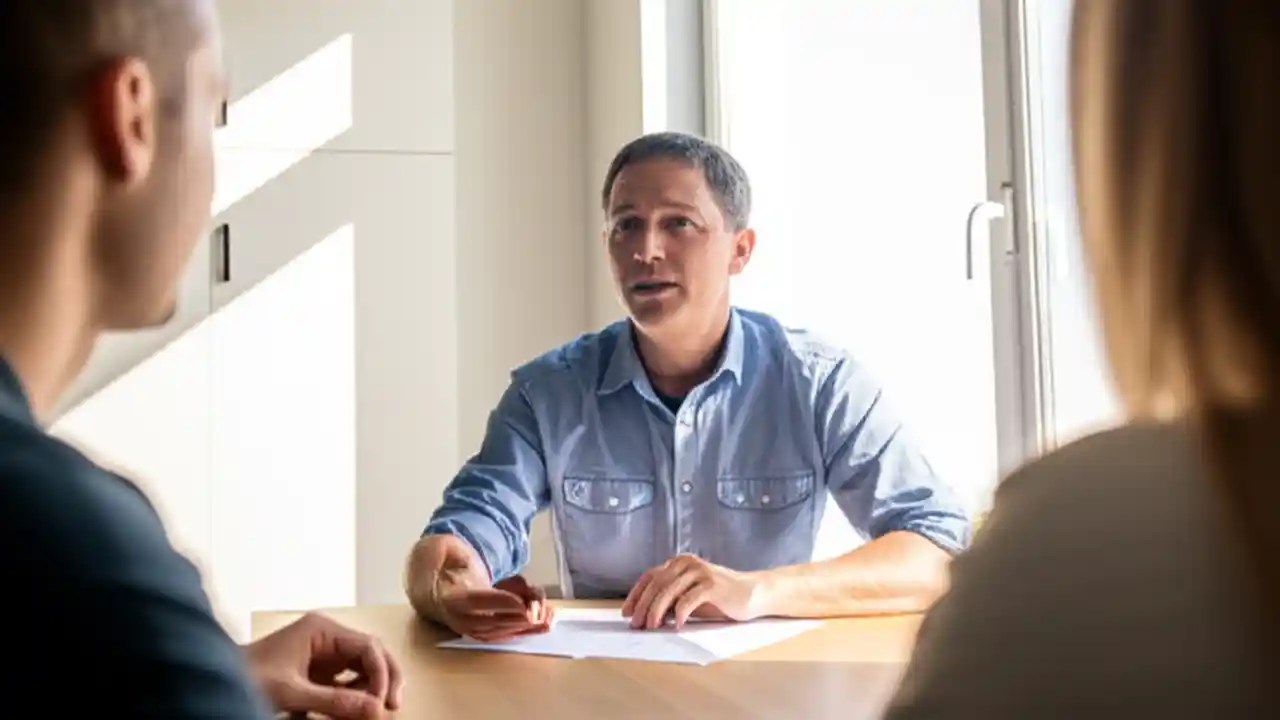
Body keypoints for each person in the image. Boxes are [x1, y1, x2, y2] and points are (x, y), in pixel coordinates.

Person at [405, 131, 971, 641]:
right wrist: (454, 587)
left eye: (678, 224)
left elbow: (937, 550)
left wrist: (758, 591)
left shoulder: (820, 382)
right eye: (626, 225)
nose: (645, 250)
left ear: (740, 250)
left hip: (768, 686)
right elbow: (459, 535)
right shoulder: (547, 393)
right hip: (606, 685)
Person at [0, 2, 401, 717]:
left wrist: (211, 671)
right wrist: (163, 660)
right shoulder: (77, 560)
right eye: (214, 116)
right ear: (132, 118)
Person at [885, 1, 1275, 716]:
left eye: (682, 224)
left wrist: (760, 588)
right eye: (642, 224)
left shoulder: (1091, 542)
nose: (660, 253)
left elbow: (928, 533)